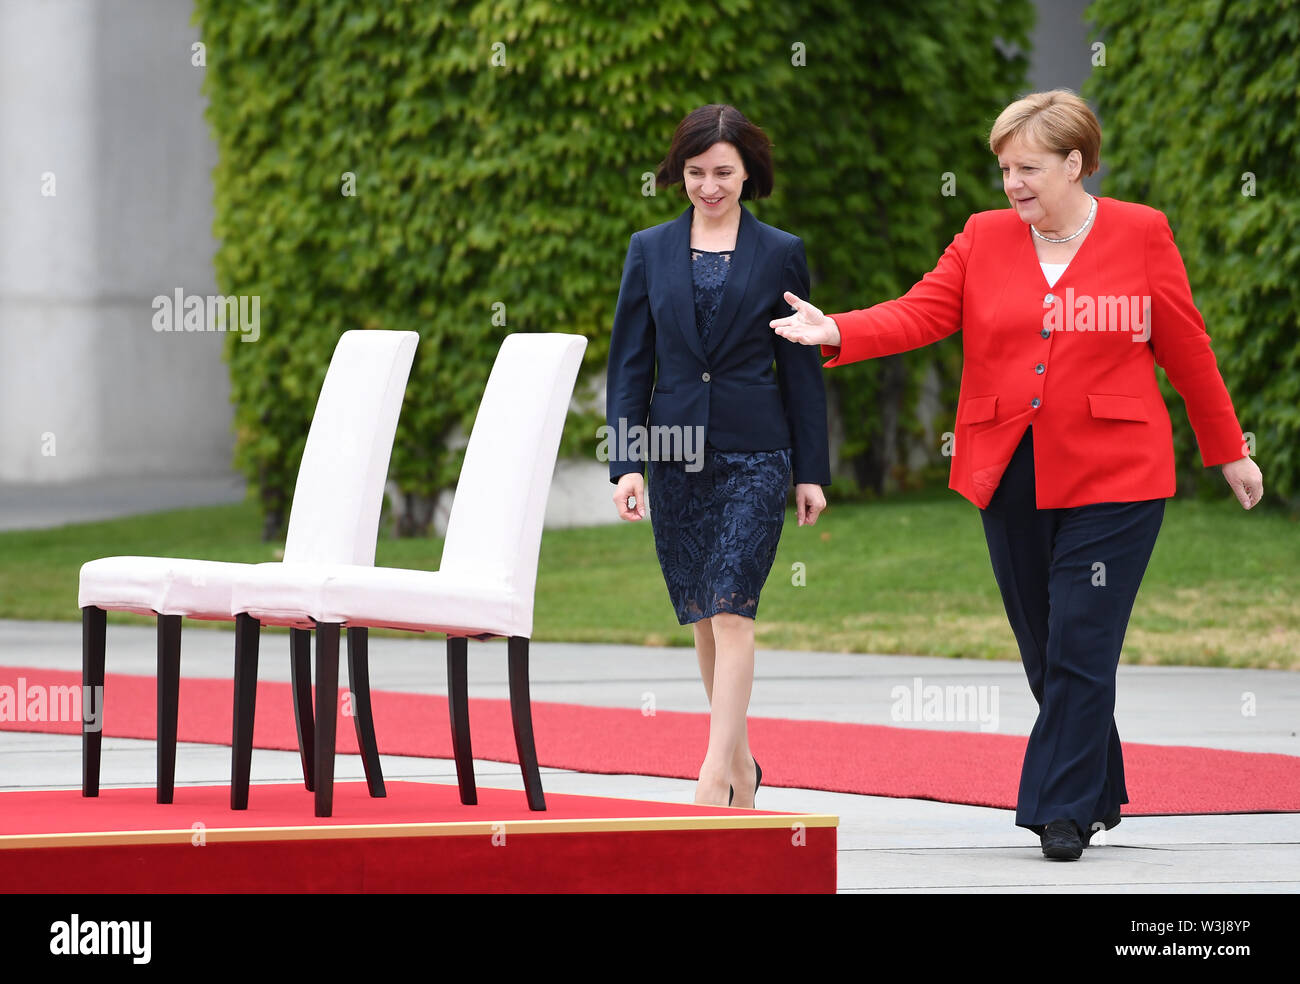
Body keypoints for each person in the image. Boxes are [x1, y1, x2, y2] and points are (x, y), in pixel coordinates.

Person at [771, 89, 1263, 859]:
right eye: (1005, 168)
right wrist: (839, 329)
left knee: (1080, 639)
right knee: (1042, 645)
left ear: (1076, 164)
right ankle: (1097, 786)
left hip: (1119, 474)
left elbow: (1185, 345)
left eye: (1028, 167)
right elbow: (923, 311)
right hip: (1008, 467)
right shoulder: (984, 236)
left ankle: (1058, 812)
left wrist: (1228, 446)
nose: (1013, 183)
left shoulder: (1141, 232)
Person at [605, 104, 831, 809]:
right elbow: (629, 365)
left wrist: (810, 470)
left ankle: (709, 780)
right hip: (673, 454)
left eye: (723, 173)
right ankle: (742, 765)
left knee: (733, 609)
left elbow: (801, 366)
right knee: (704, 612)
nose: (709, 186)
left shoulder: (779, 250)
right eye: (696, 172)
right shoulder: (648, 249)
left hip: (756, 453)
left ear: (748, 173)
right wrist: (627, 461)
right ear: (678, 172)